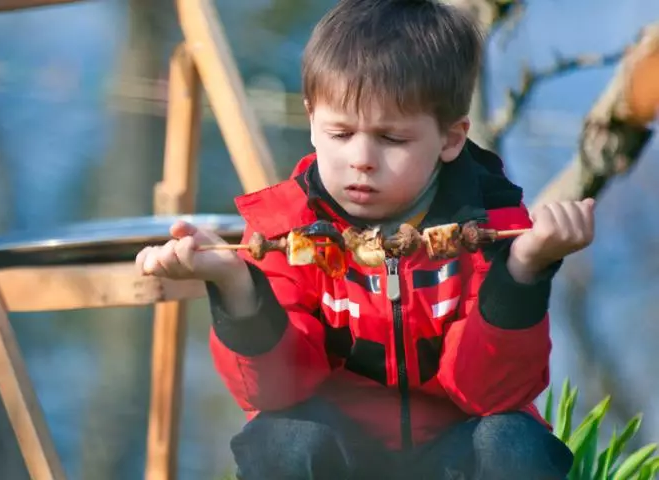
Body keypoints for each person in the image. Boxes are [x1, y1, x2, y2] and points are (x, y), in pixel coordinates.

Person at [135, 0, 592, 478]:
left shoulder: (488, 226)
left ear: (451, 138)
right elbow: (277, 390)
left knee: (512, 440)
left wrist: (521, 274)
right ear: (312, 121)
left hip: (452, 451)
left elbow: (487, 393)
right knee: (280, 436)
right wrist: (237, 288)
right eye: (340, 132)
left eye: (392, 139)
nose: (362, 159)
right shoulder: (285, 228)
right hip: (345, 456)